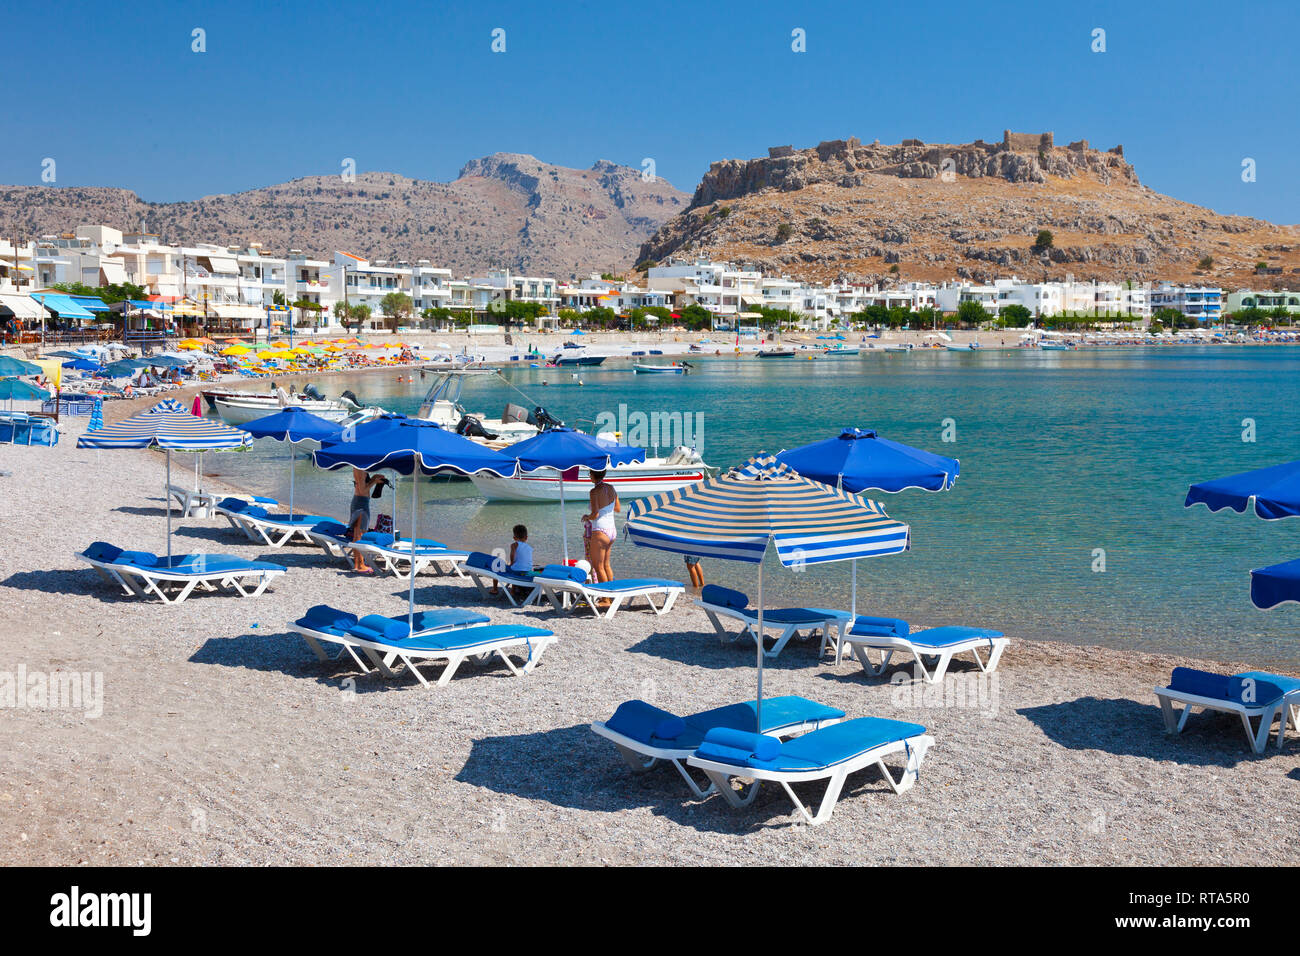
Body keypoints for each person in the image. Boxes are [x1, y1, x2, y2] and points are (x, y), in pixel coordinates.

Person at [583, 469, 619, 591]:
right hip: (612, 529)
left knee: (598, 567)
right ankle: (612, 593)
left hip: (600, 530)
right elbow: (617, 508)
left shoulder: (594, 492)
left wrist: (586, 517)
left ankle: (605, 598)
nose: (589, 476)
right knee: (606, 565)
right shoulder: (611, 488)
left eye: (589, 474)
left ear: (593, 475)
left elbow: (595, 514)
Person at [348, 468, 385, 573]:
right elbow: (362, 490)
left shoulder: (361, 468)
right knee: (359, 535)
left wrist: (374, 477)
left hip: (361, 502)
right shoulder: (359, 469)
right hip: (361, 504)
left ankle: (358, 564)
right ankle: (360, 565)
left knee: (357, 534)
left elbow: (362, 485)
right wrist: (374, 481)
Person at [490, 525, 533, 598]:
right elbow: (527, 560)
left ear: (514, 538)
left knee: (497, 567)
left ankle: (495, 589)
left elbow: (512, 554)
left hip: (517, 571)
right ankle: (512, 591)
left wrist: (511, 563)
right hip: (527, 572)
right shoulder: (530, 548)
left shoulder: (514, 545)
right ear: (526, 537)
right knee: (516, 569)